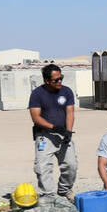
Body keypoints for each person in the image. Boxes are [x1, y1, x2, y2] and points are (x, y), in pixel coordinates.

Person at [28, 63, 77, 201]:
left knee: (71, 164)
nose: (60, 81)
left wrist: (68, 131)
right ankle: (48, 195)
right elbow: (36, 117)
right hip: (45, 135)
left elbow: (70, 112)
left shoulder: (66, 91)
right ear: (47, 81)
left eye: (61, 78)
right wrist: (53, 127)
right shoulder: (37, 94)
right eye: (56, 80)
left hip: (64, 134)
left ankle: (64, 190)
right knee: (43, 167)